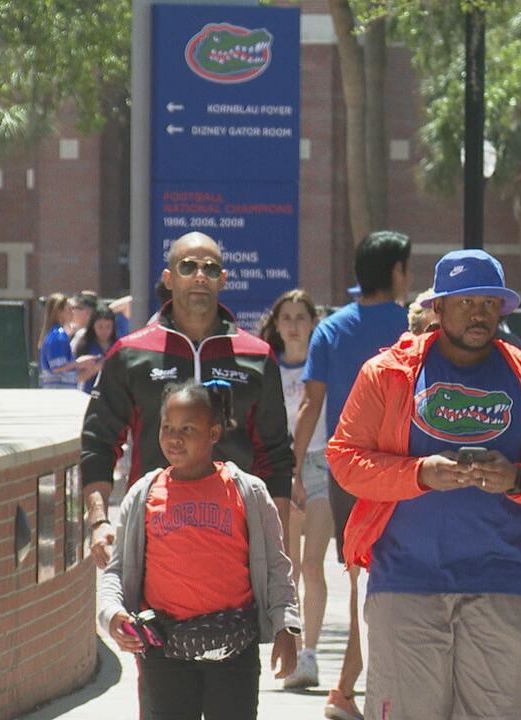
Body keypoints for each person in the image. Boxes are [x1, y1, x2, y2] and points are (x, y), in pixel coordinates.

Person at [326, 248, 521, 719]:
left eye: (490, 302)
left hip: (508, 584)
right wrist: (420, 474)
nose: (479, 312)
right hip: (405, 582)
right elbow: (344, 460)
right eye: (466, 301)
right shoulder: (387, 374)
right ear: (437, 308)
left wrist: (517, 478)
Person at [80, 232, 295, 571]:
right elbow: (99, 443)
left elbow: (276, 456)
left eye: (210, 269)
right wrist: (98, 521)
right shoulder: (131, 355)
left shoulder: (257, 356)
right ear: (168, 278)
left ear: (223, 280)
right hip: (152, 541)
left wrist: (277, 549)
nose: (199, 275)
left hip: (237, 545)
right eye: (188, 266)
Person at [97, 380, 300, 720]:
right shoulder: (143, 494)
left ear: (214, 433)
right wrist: (112, 613)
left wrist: (286, 627)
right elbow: (117, 570)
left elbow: (278, 568)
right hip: (164, 652)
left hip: (234, 651)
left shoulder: (247, 492)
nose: (174, 438)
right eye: (167, 428)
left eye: (188, 429)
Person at [293, 230, 411, 720]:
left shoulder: (331, 330)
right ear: (396, 272)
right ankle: (349, 691)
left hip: (348, 471)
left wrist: (293, 468)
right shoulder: (413, 328)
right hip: (405, 469)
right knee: (389, 580)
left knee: (368, 577)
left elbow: (309, 404)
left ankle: (346, 690)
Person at [258, 289, 333, 691]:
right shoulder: (269, 368)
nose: (292, 324)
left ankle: (310, 655)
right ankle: (294, 644)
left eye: (300, 317)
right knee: (289, 567)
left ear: (312, 322)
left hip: (323, 465)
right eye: (285, 316)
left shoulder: (323, 367)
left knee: (312, 565)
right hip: (282, 471)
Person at [38, 293, 87, 389]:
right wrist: (81, 363)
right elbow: (57, 368)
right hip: (59, 394)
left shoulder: (55, 334)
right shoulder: (58, 335)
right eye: (69, 309)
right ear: (59, 312)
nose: (72, 313)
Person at [73, 307, 118, 394]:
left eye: (108, 327)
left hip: (112, 396)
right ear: (93, 326)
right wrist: (97, 368)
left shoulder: (118, 346)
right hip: (89, 394)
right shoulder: (85, 346)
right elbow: (78, 377)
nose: (104, 331)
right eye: (100, 327)